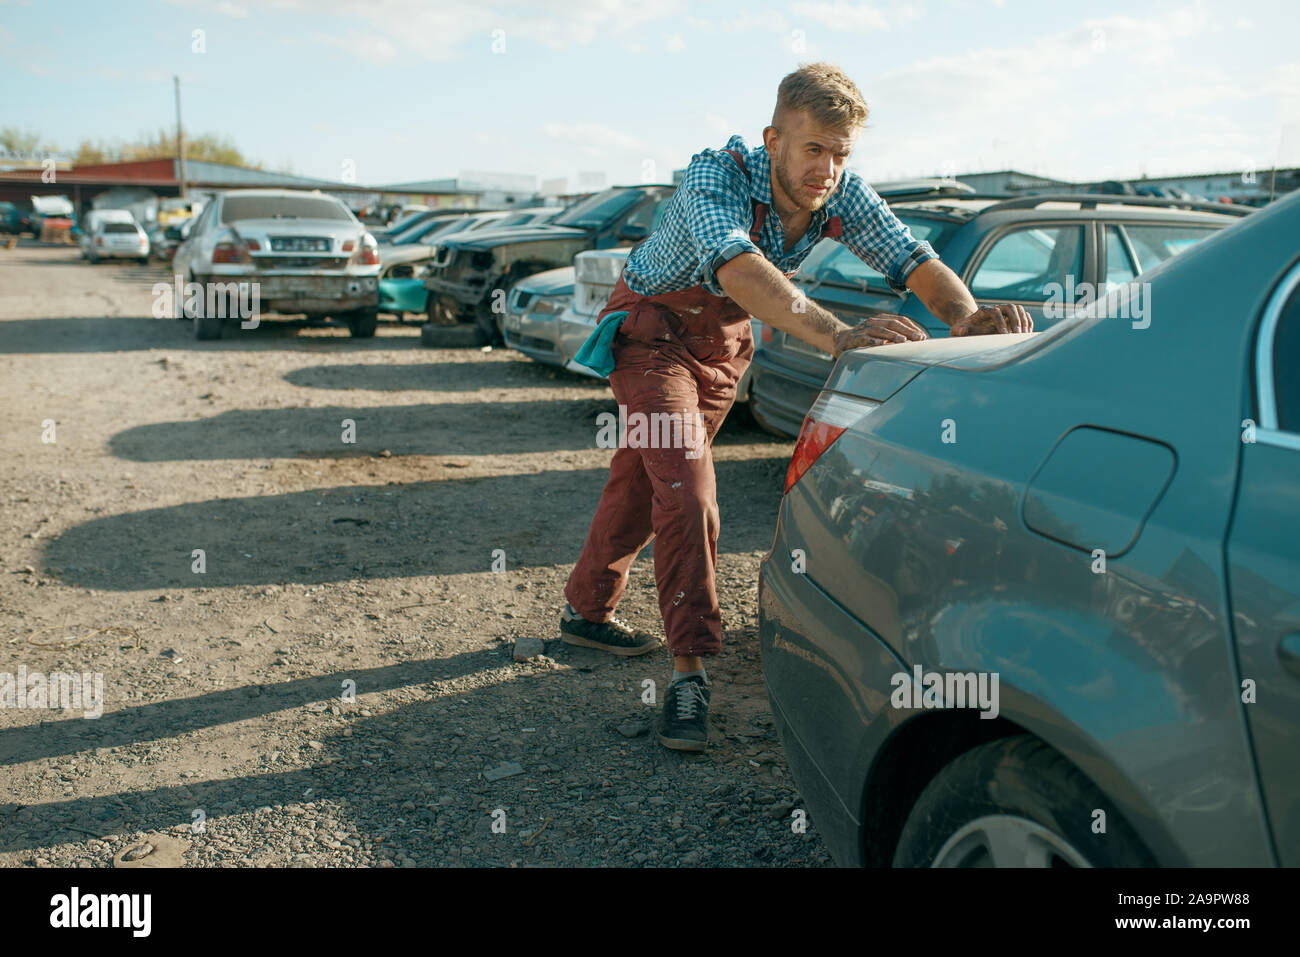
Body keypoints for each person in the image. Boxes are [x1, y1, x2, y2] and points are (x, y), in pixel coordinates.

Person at [560, 62, 1032, 753]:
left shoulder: (844, 191)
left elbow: (908, 256)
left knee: (645, 478)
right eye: (814, 149)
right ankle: (690, 672)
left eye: (841, 154)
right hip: (652, 338)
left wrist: (965, 317)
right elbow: (739, 268)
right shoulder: (713, 178)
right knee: (687, 489)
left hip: (722, 348)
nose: (828, 169)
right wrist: (840, 335)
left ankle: (585, 609)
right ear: (773, 138)